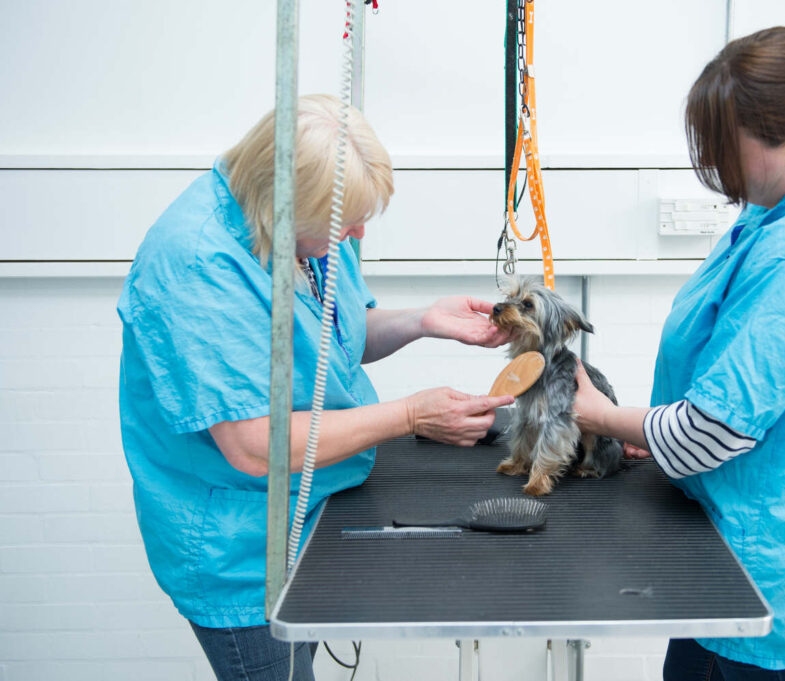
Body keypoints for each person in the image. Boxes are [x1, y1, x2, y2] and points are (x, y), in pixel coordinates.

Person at [117, 94, 514, 681]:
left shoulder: (306, 232)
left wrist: (424, 320)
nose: (355, 233)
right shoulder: (196, 265)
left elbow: (333, 337)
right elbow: (254, 445)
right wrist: (409, 416)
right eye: (344, 223)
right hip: (243, 549)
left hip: (311, 516)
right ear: (286, 202)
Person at [572, 27, 785, 680]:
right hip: (762, 543)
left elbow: (713, 429)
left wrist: (603, 415)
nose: (721, 165)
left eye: (732, 147)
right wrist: (665, 428)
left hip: (771, 579)